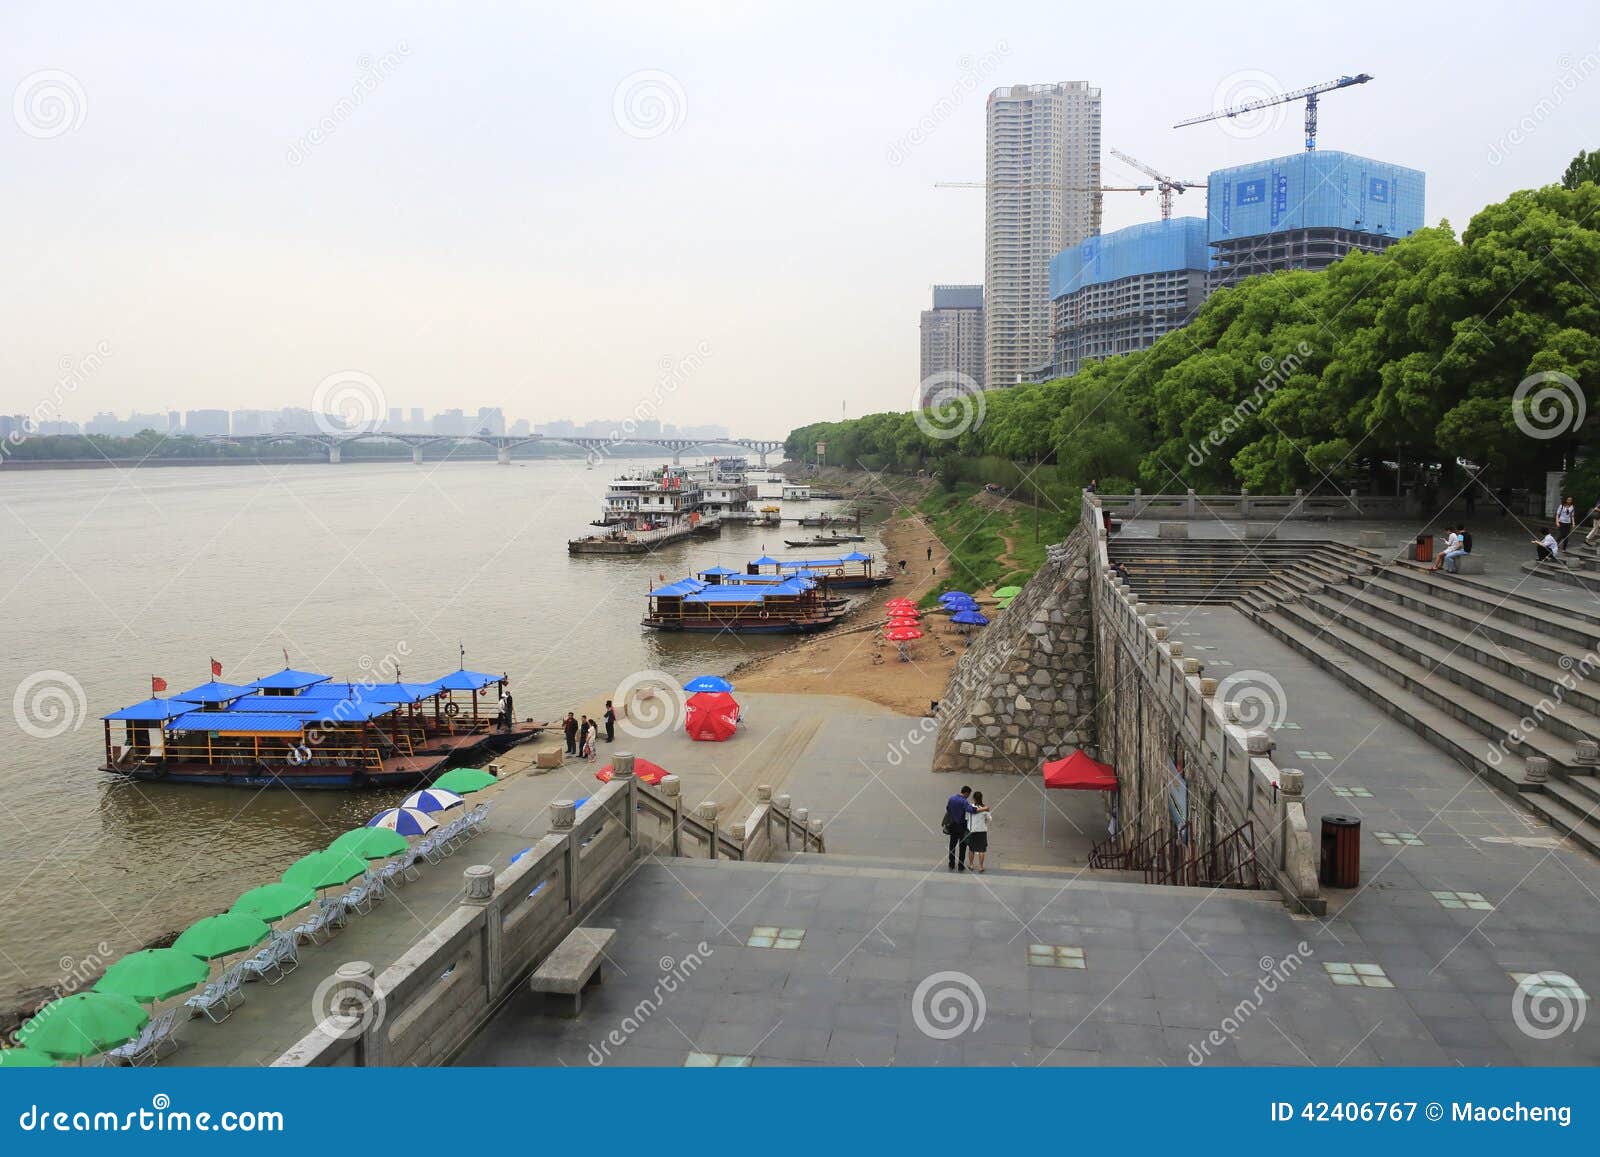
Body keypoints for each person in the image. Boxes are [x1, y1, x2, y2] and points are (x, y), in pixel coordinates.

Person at [943, 786, 976, 871]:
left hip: (952, 825)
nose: (968, 796)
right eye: (968, 795)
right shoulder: (964, 801)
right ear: (966, 793)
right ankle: (961, 866)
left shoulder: (952, 798)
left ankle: (951, 864)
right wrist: (978, 808)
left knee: (952, 846)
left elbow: (948, 808)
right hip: (962, 827)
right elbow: (970, 810)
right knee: (962, 846)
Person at [963, 791, 991, 872]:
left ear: (973, 798)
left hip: (972, 830)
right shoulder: (985, 808)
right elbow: (989, 819)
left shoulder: (970, 807)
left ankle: (971, 865)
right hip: (982, 831)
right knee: (982, 849)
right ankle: (981, 867)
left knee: (971, 849)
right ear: (981, 798)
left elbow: (966, 818)